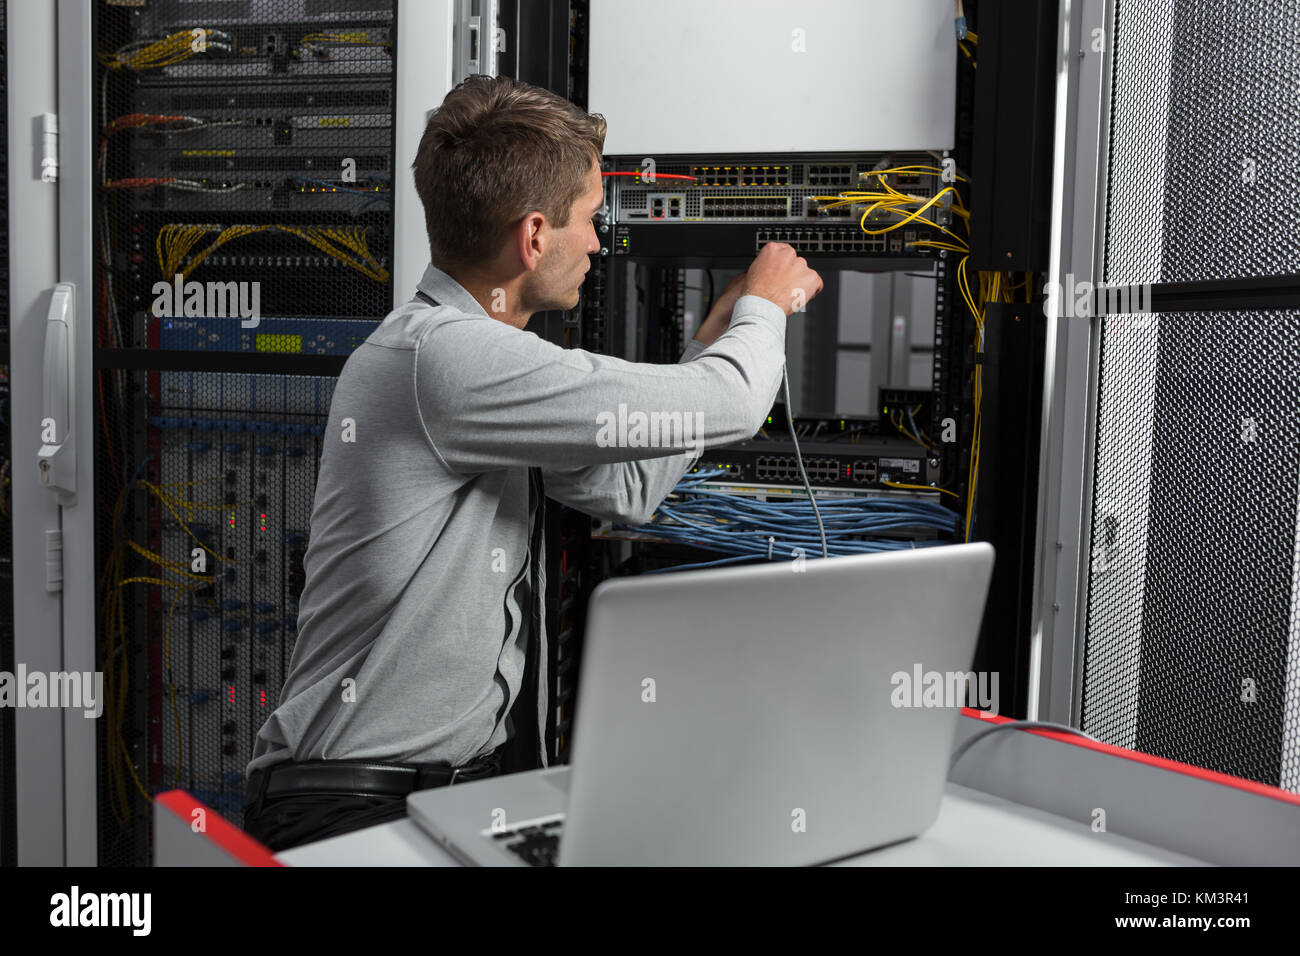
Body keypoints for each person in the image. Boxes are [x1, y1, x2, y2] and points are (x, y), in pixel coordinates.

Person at [242, 73, 823, 851]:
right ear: (534, 235)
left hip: (440, 796)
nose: (597, 240)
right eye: (588, 219)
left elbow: (627, 489)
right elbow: (735, 404)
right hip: (353, 806)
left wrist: (711, 344)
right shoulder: (446, 359)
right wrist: (764, 304)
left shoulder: (480, 365)